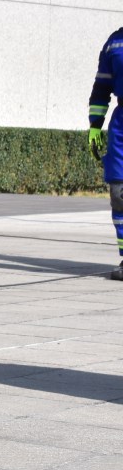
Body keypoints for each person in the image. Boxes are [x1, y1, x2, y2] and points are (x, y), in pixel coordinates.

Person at [88, 26, 123, 281]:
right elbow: (102, 85)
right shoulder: (114, 42)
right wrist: (94, 124)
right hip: (122, 124)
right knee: (119, 193)